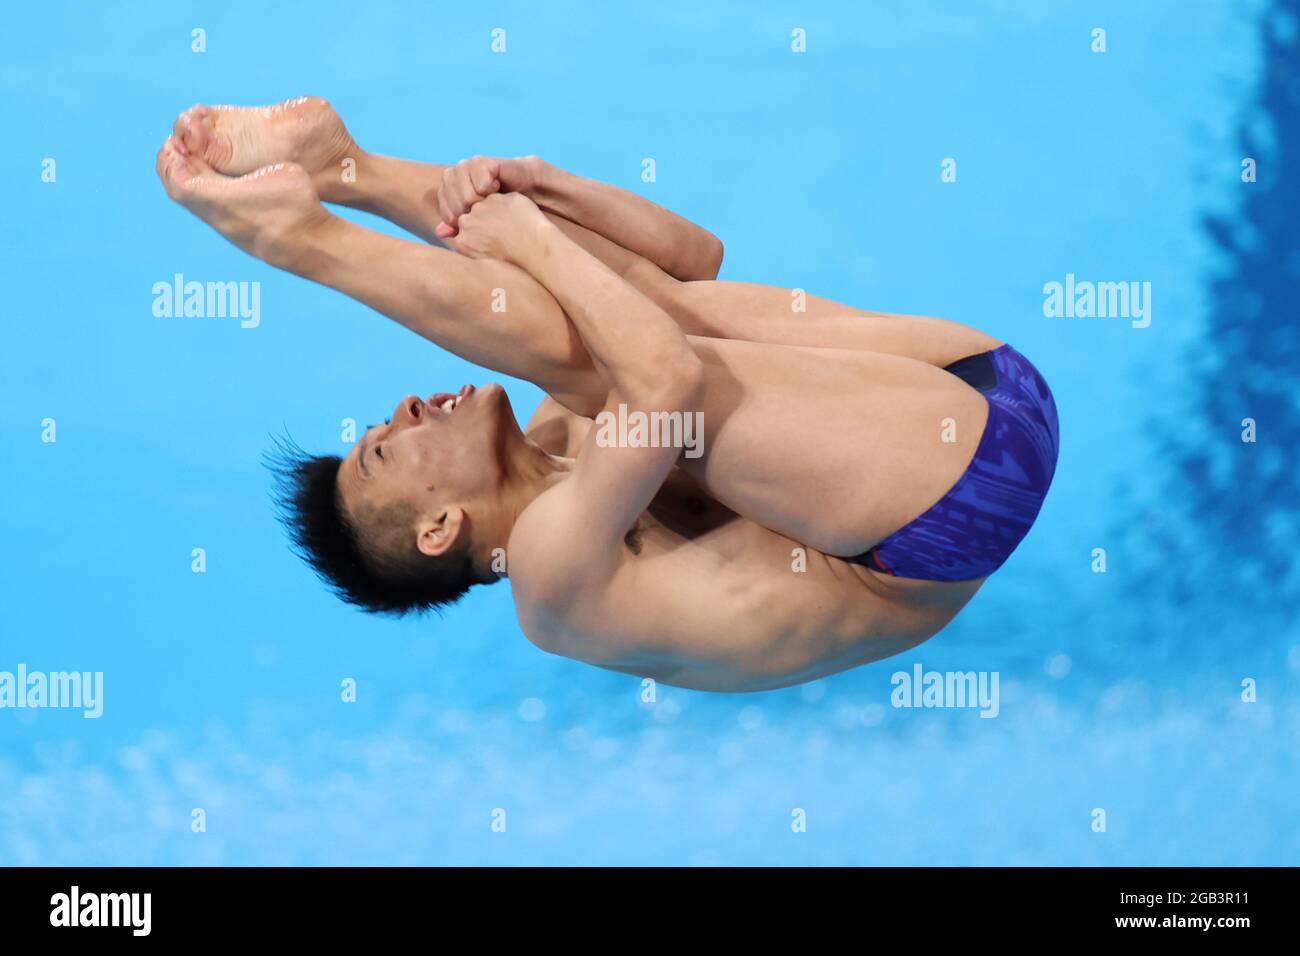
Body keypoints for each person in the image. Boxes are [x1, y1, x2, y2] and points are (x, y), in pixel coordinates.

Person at [155, 96, 1059, 692]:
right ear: (439, 530)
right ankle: (305, 239)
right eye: (385, 447)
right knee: (598, 354)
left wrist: (544, 191)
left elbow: (693, 259)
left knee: (639, 313)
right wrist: (538, 244)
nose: (405, 409)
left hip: (976, 382)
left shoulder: (566, 437)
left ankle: (342, 167)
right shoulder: (552, 584)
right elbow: (664, 382)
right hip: (951, 501)